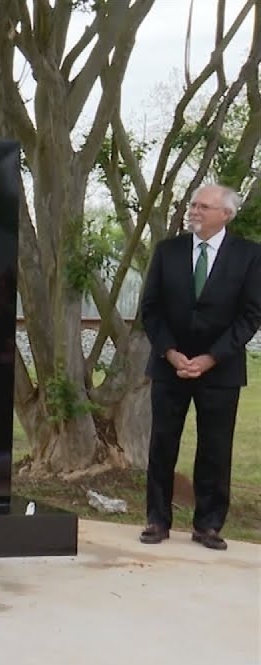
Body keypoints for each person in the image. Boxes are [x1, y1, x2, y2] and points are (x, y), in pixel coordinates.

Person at [138, 182, 261, 550]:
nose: (194, 210)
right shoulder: (167, 251)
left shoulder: (250, 256)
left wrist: (210, 358)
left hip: (220, 369)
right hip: (169, 366)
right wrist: (170, 353)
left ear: (226, 214)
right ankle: (156, 520)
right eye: (193, 204)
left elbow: (251, 316)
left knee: (215, 448)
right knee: (162, 444)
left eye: (203, 206)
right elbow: (151, 309)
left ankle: (208, 525)